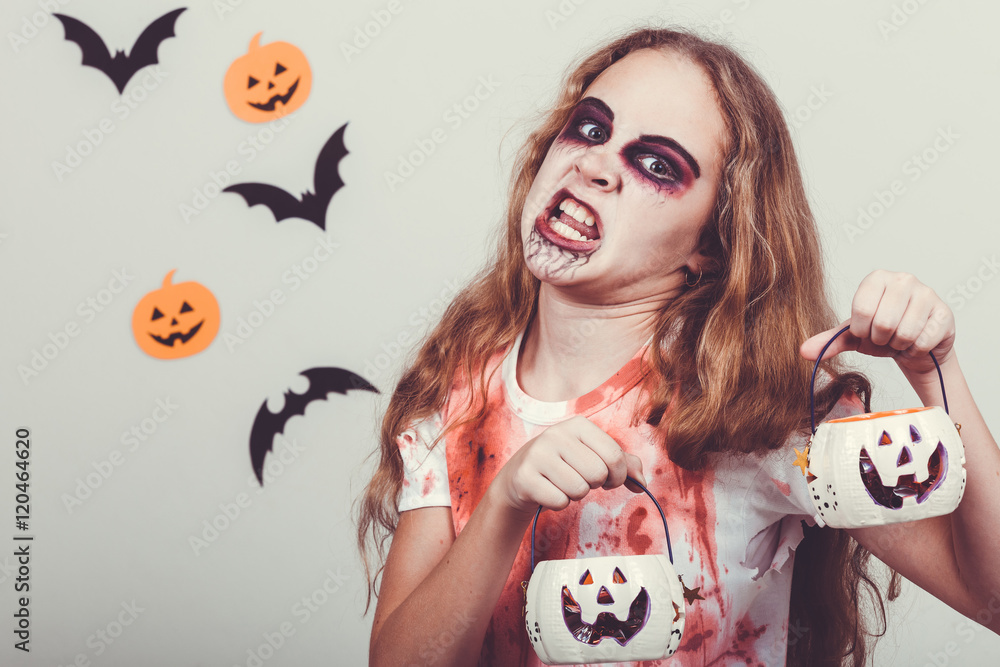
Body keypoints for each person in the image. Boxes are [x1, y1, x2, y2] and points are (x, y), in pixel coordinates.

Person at [357, 26, 1000, 666]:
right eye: (590, 128)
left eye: (657, 164)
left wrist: (936, 369)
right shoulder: (456, 398)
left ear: (711, 245)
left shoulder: (756, 410)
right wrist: (503, 506)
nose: (595, 165)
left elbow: (993, 600)